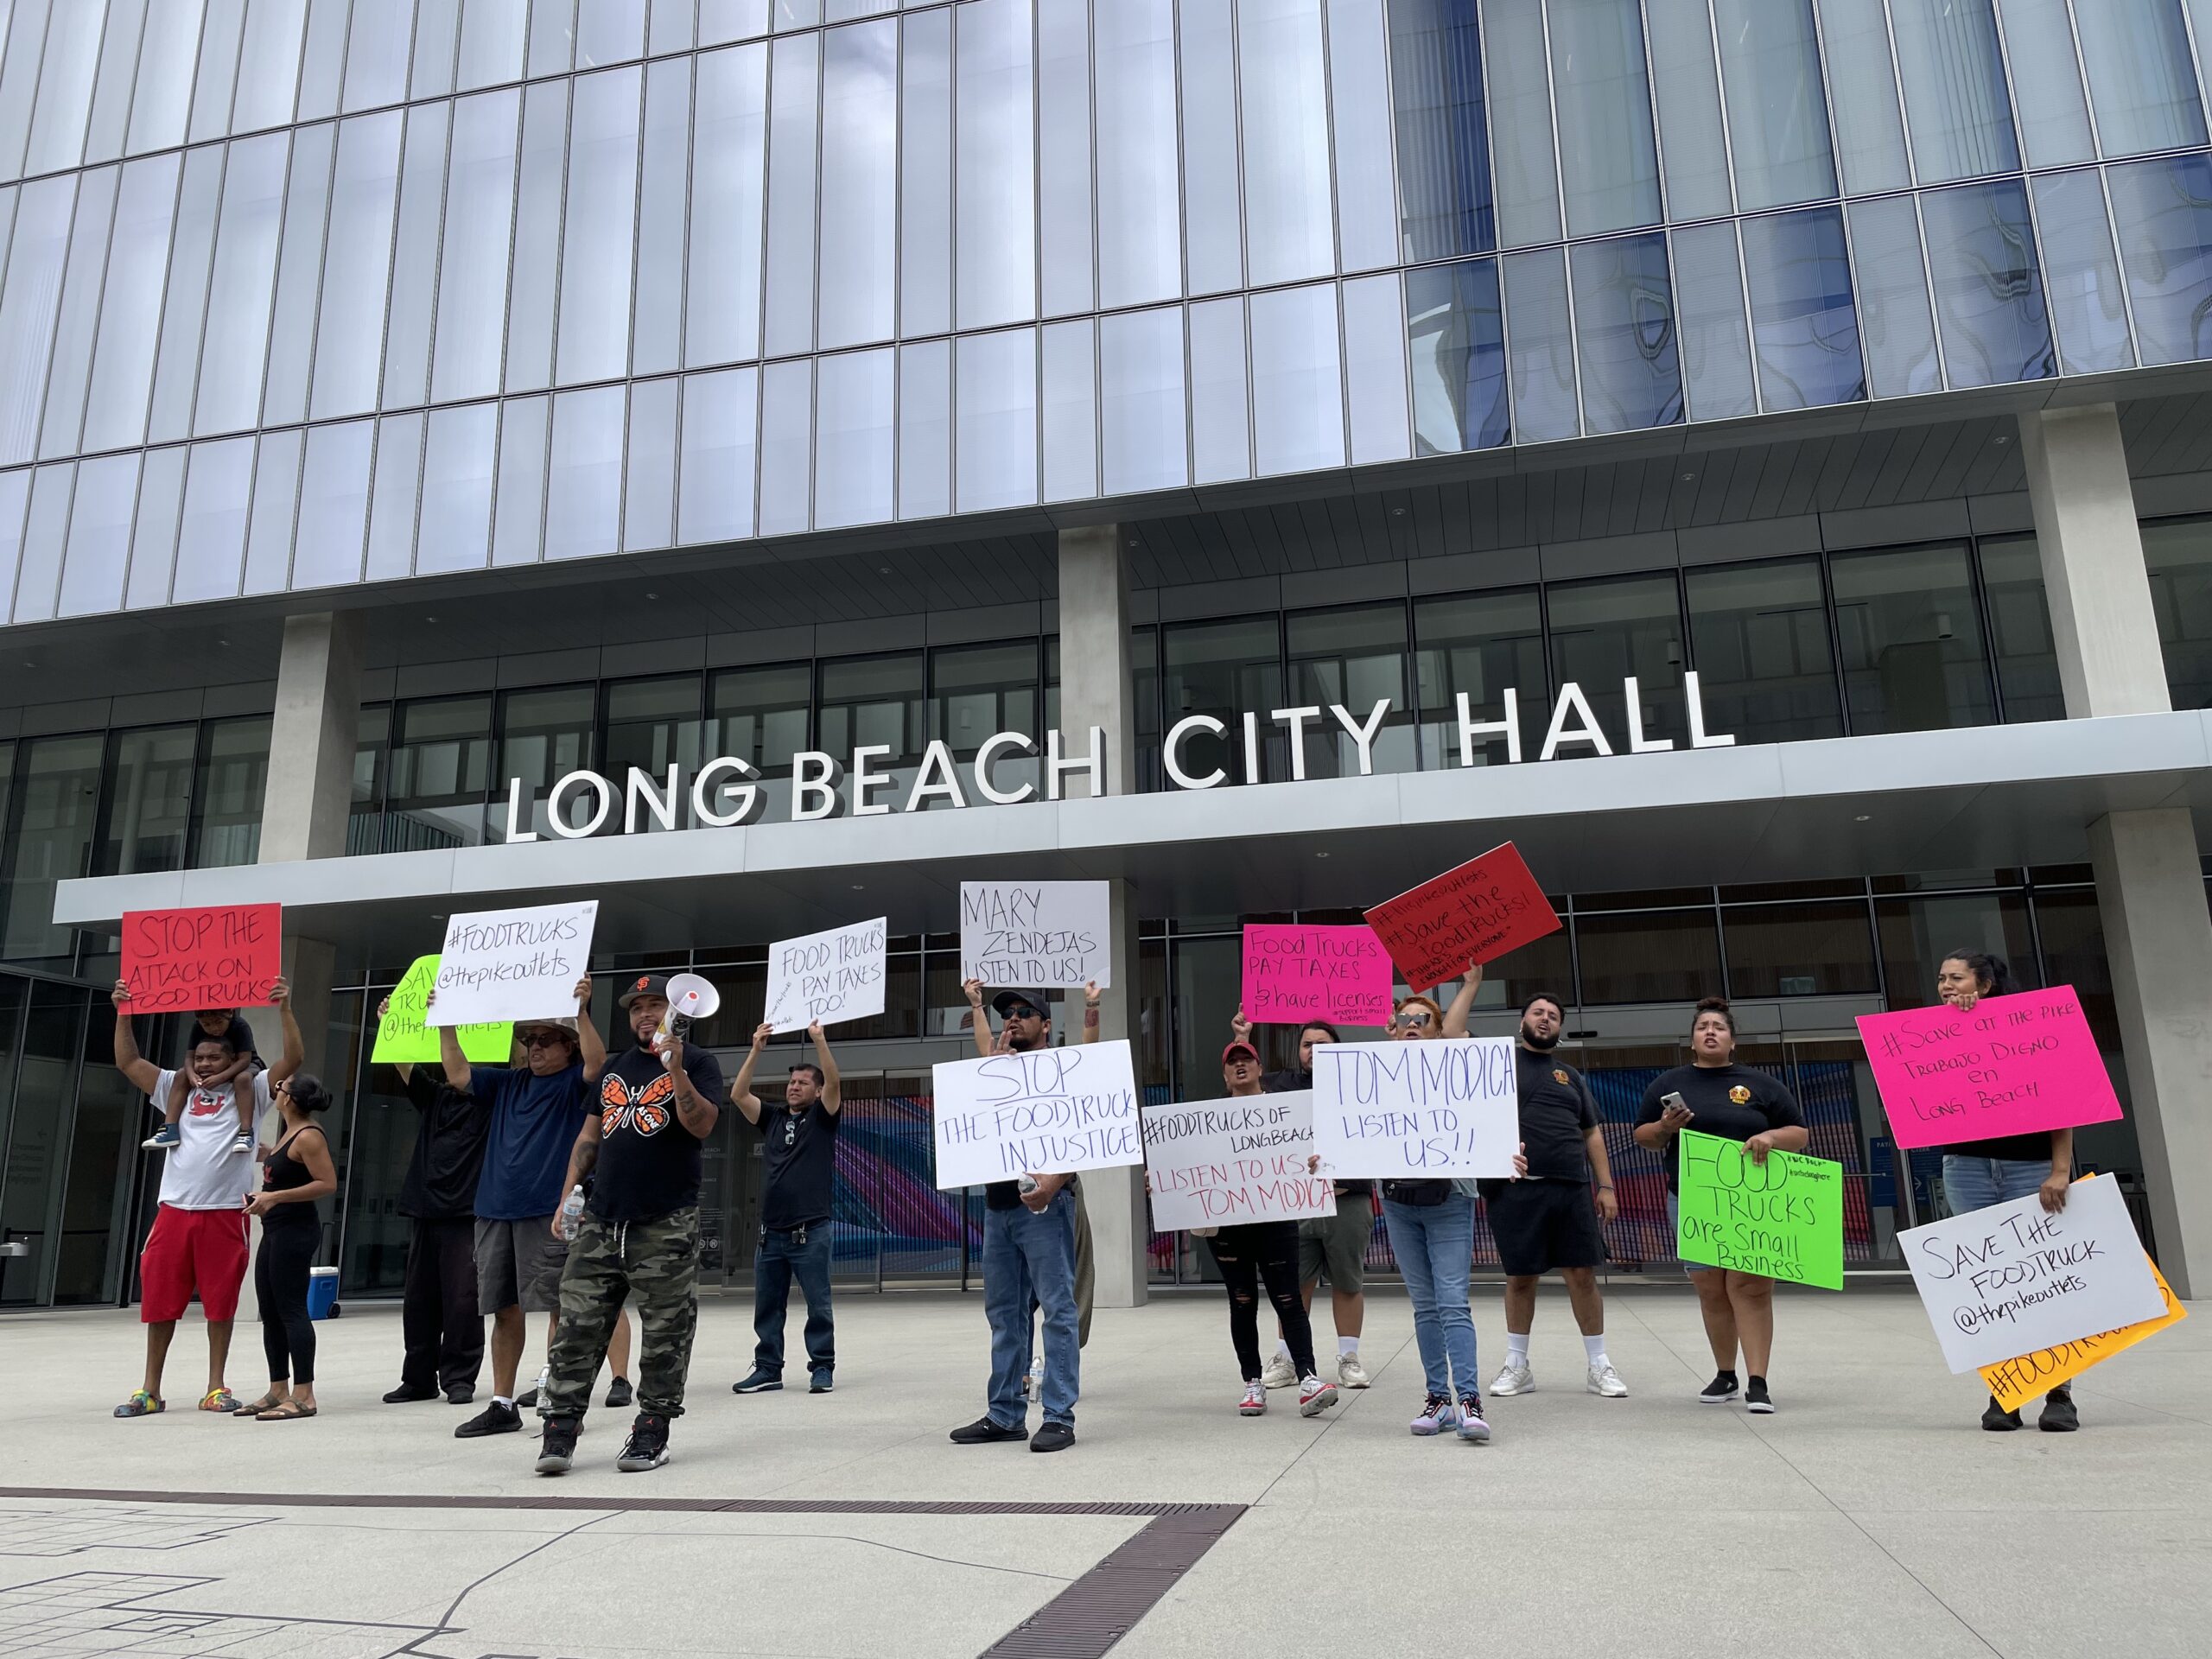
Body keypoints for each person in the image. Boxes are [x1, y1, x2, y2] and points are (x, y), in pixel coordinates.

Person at [536, 974, 726, 1476]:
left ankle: (651, 1431)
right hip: (601, 1218)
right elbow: (589, 1137)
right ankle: (559, 1431)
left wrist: (676, 1070)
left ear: (676, 1010)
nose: (644, 1014)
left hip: (664, 1221)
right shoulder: (615, 1067)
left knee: (666, 1332)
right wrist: (566, 1198)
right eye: (636, 1006)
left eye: (654, 1004)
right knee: (576, 1328)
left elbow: (701, 1124)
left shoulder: (701, 1062)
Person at [109, 977, 302, 1419]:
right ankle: (150, 1390)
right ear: (190, 1059)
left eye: (216, 1055)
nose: (207, 1062)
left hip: (223, 1212)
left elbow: (293, 1058)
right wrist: (123, 1011)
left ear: (235, 1058)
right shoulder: (174, 1088)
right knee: (159, 1303)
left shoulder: (251, 1090)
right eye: (200, 1056)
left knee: (220, 1303)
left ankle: (216, 1387)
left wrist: (284, 1008)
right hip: (175, 1210)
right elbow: (127, 1061)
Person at [435, 978, 606, 1440]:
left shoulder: (575, 1083)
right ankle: (502, 1402)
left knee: (556, 1305)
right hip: (494, 1210)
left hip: (545, 1211)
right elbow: (458, 1074)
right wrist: (445, 1022)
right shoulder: (508, 1084)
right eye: (529, 1040)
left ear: (566, 1047)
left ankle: (556, 1393)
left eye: (545, 1040)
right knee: (503, 1309)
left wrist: (582, 1012)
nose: (534, 1048)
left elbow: (596, 1062)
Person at [1633, 996, 1808, 1415]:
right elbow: (1644, 1137)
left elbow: (1800, 1133)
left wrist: (1772, 1138)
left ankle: (1758, 1382)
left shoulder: (1762, 1084)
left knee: (1749, 1287)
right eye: (1702, 1027)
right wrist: (1663, 1127)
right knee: (1711, 1290)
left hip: (1752, 1203)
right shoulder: (1667, 1085)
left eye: (1719, 1027)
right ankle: (1725, 1374)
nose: (1710, 1032)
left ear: (1733, 1040)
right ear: (1692, 1041)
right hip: (1692, 1201)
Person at [946, 982, 1099, 1454]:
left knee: (1057, 1308)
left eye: (1024, 1012)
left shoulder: (1059, 1069)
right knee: (1004, 1315)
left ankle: (1057, 1416)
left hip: (1047, 1206)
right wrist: (975, 1005)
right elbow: (981, 1041)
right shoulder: (995, 1069)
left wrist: (1092, 1007)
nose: (1012, 1018)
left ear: (1046, 1025)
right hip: (999, 1207)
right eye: (1005, 1012)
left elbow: (1089, 1111)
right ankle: (1005, 1414)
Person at [1934, 951, 2079, 1433]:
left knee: (2044, 1281)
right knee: (1989, 1283)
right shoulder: (1934, 1038)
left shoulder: (2027, 1029)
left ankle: (2059, 1392)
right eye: (1941, 980)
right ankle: (2007, 1392)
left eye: (1956, 977)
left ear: (1986, 983)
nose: (1946, 986)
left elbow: (2061, 1102)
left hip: (2029, 1168)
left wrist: (2061, 1170)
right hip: (1967, 1168)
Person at [1375, 964, 1501, 1442]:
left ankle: (1468, 1399)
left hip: (1449, 1197)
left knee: (1452, 1302)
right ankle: (1438, 1401)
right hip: (1398, 1199)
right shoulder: (1376, 1077)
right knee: (1425, 1306)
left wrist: (1469, 985)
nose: (1411, 1025)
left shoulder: (1454, 1066)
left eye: (1421, 1020)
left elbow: (1450, 1034)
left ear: (1439, 1031)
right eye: (1402, 1019)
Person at [1484, 992, 1628, 1400]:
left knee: (1582, 1276)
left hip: (1571, 1189)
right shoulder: (1499, 1066)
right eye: (1537, 1013)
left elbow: (1592, 1132)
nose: (1545, 1020)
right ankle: (1517, 1365)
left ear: (1560, 1027)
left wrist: (1605, 1186)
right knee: (1521, 1278)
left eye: (1553, 1016)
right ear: (1522, 1021)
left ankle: (1599, 1365)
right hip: (1516, 1191)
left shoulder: (1571, 1076)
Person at [1234, 1014, 1373, 1393]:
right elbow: (1241, 1095)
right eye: (1309, 1044)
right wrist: (1243, 1038)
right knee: (1293, 1286)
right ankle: (1287, 1358)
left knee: (1348, 1282)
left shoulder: (1361, 1085)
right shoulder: (1281, 1085)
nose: (1315, 1050)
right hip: (1298, 1204)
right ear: (1299, 1051)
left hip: (1348, 1200)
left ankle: (1349, 1358)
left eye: (1324, 1044)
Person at [1206, 1039, 1338, 1419]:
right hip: (1228, 1227)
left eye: (1247, 1059)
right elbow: (1183, 1168)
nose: (1241, 1065)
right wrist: (1162, 1183)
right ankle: (1252, 1382)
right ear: (1226, 1073)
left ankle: (1308, 1377)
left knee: (1288, 1299)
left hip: (1276, 1220)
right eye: (1233, 1062)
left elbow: (1315, 1153)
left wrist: (1316, 1162)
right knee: (1242, 1301)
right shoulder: (1207, 1120)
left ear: (1260, 1068)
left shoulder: (1286, 1112)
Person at [372, 1001, 493, 1405]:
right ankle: (418, 1377)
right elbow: (405, 1066)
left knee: (462, 1300)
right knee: (418, 1300)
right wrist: (391, 1024)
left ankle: (459, 1378)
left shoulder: (491, 1103)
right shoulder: (435, 1096)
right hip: (425, 1209)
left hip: (466, 1212)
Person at [730, 1020, 843, 1396]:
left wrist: (819, 1040)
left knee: (818, 1304)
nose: (794, 1087)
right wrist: (756, 1049)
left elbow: (835, 1082)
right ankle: (767, 1369)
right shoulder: (774, 1118)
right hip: (771, 1233)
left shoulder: (823, 1119)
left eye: (803, 1083)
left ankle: (822, 1367)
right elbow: (738, 1093)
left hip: (810, 1230)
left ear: (817, 1091)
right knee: (767, 1307)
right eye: (792, 1082)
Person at [237, 1074, 339, 1421]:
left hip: (295, 1231)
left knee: (291, 1308)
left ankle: (304, 1394)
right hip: (276, 1229)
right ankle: (278, 1388)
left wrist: (274, 1196)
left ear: (290, 1099)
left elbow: (327, 1183)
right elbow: (288, 1173)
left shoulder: (309, 1135)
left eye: (281, 1086)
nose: (275, 1089)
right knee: (270, 1310)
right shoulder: (288, 1133)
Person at [143, 1008, 259, 1154]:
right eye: (207, 1025)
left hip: (245, 1064)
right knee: (181, 1074)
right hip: (214, 1065)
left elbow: (245, 1059)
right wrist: (191, 1075)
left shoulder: (240, 1026)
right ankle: (170, 1127)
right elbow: (190, 1057)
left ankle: (246, 1132)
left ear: (230, 1013)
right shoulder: (197, 1027)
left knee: (242, 1079)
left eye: (218, 1022)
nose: (214, 1028)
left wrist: (220, 1077)